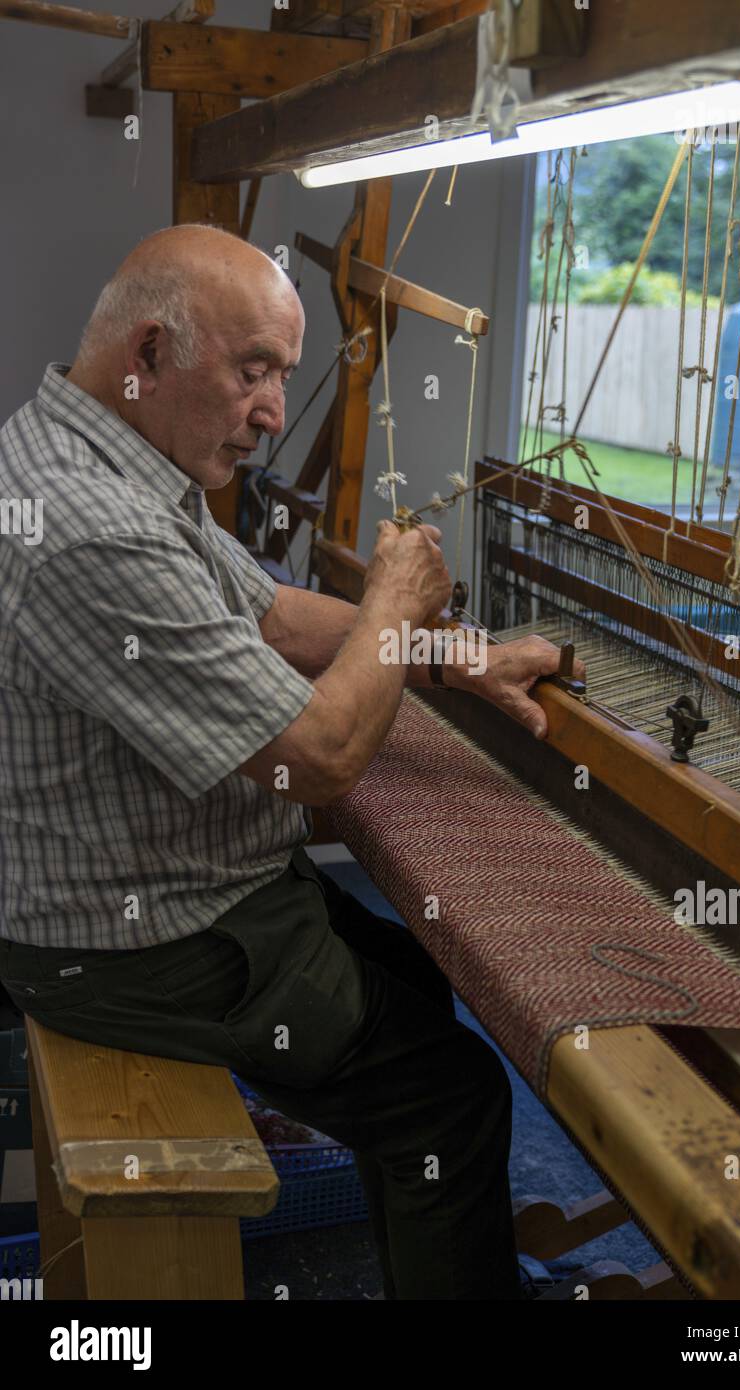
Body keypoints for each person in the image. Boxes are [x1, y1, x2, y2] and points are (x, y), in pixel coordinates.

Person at [0, 224, 576, 1300]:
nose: (271, 410)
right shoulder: (87, 524)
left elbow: (265, 615)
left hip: (169, 891)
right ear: (151, 353)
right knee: (445, 1092)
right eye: (251, 370)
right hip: (135, 940)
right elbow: (315, 760)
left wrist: (459, 658)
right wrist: (397, 602)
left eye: (281, 376)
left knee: (412, 976)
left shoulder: (101, 456)